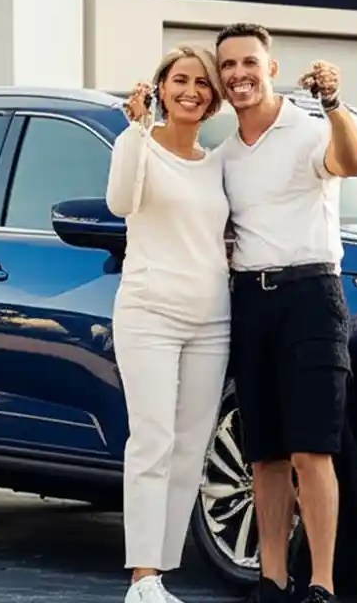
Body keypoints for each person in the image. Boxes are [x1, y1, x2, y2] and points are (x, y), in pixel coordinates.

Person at [214, 23, 357, 603]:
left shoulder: (308, 131)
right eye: (227, 66)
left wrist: (333, 105)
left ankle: (322, 585)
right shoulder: (224, 155)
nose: (238, 75)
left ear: (269, 68)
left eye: (248, 62)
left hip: (311, 299)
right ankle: (272, 581)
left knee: (312, 450)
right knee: (267, 454)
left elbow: (352, 164)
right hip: (250, 302)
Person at [106, 45, 233, 603]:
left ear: (213, 97)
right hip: (149, 312)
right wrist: (138, 129)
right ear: (161, 87)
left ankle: (161, 573)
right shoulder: (136, 144)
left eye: (202, 82)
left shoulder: (219, 161)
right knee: (153, 441)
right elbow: (117, 203)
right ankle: (142, 579)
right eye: (180, 79)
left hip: (211, 318)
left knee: (189, 446)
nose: (192, 89)